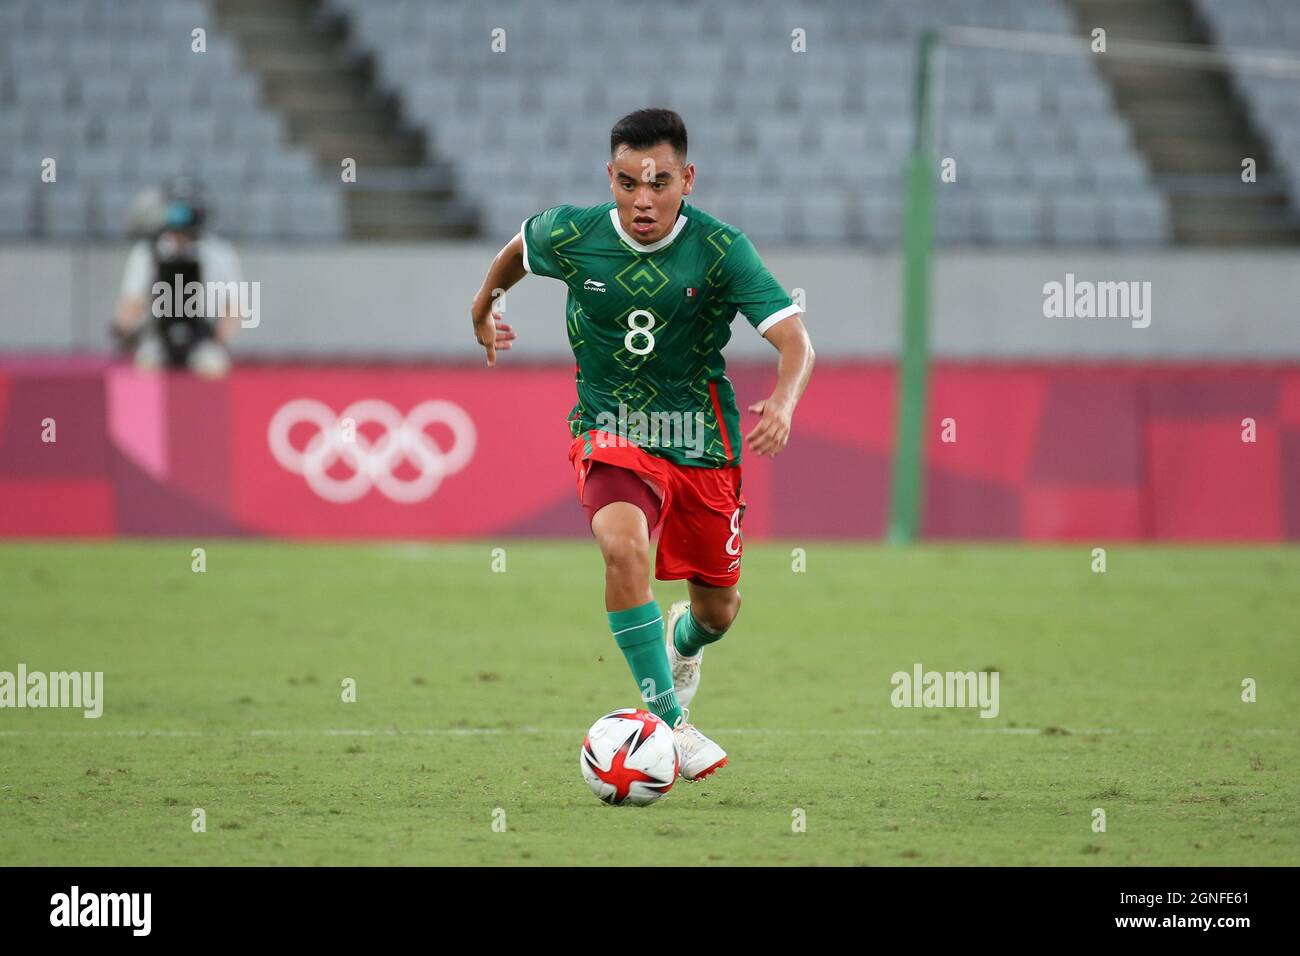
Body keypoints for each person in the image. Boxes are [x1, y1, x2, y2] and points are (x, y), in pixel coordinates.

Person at [469, 108, 815, 782]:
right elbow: (517, 251)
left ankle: (685, 638)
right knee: (622, 545)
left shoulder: (720, 249)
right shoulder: (572, 232)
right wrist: (483, 308)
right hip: (611, 428)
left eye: (658, 183)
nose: (642, 201)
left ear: (687, 178)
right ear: (611, 178)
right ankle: (669, 724)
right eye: (627, 184)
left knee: (719, 612)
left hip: (702, 444)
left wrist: (784, 399)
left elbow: (795, 339)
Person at [111, 177, 242, 377]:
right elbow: (131, 303)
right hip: (157, 338)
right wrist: (124, 329)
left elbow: (235, 307)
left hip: (203, 339)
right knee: (146, 364)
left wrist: (219, 340)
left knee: (213, 365)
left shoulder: (220, 253)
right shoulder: (146, 253)